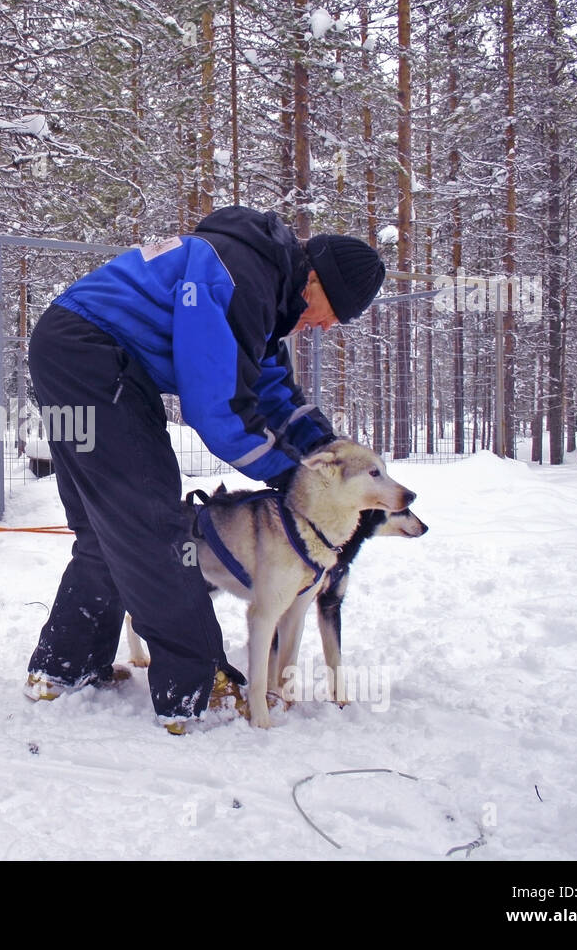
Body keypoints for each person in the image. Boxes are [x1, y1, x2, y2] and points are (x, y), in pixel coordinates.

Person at [23, 205, 386, 732]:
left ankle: (63, 669)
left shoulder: (264, 292)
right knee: (153, 522)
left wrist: (326, 450)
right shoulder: (244, 277)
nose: (329, 325)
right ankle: (194, 686)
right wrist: (296, 478)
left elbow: (272, 392)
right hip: (91, 354)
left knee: (111, 528)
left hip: (74, 351)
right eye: (337, 310)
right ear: (316, 279)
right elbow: (217, 407)